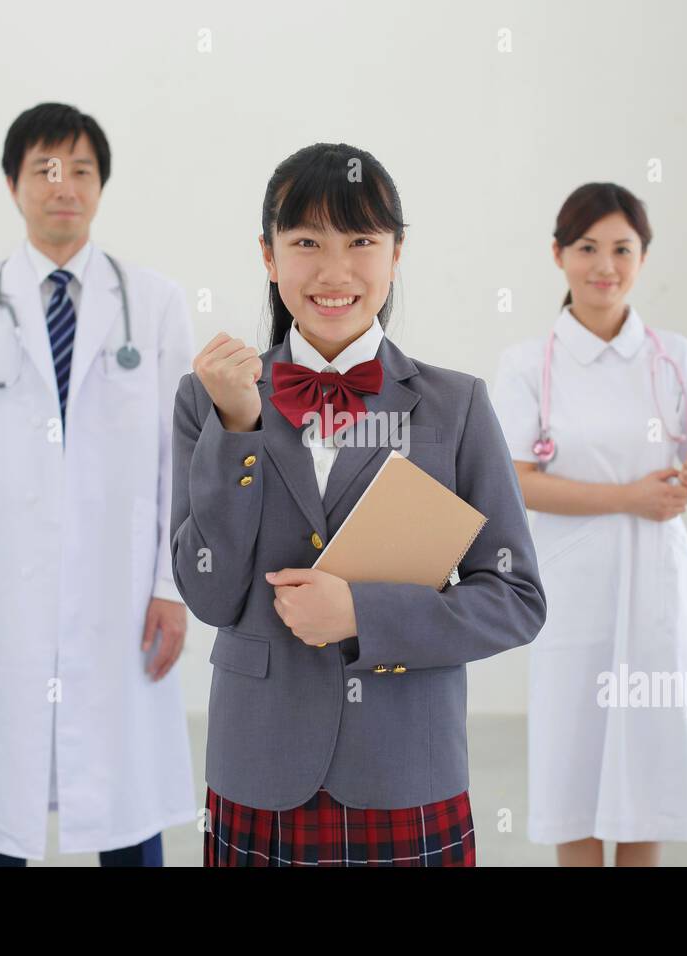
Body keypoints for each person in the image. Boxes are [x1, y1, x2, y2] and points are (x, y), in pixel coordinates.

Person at [169, 142, 547, 866]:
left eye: (361, 241)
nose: (334, 270)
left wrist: (361, 616)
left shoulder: (456, 405)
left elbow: (517, 598)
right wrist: (239, 429)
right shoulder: (208, 396)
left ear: (396, 254)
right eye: (306, 240)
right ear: (269, 255)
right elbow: (208, 593)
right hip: (260, 763)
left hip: (405, 766)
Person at [0, 102, 196, 865]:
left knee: (124, 798)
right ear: (13, 184)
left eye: (82, 170)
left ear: (101, 187)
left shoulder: (156, 305)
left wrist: (173, 584)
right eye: (44, 168)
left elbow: (181, 460)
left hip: (122, 588)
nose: (63, 185)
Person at [492, 182, 687, 867]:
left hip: (658, 585)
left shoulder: (675, 356)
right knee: (578, 760)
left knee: (646, 767)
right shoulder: (527, 364)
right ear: (558, 254)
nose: (605, 265)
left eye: (623, 249)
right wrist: (628, 496)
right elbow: (519, 484)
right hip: (573, 587)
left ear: (643, 258)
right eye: (587, 247)